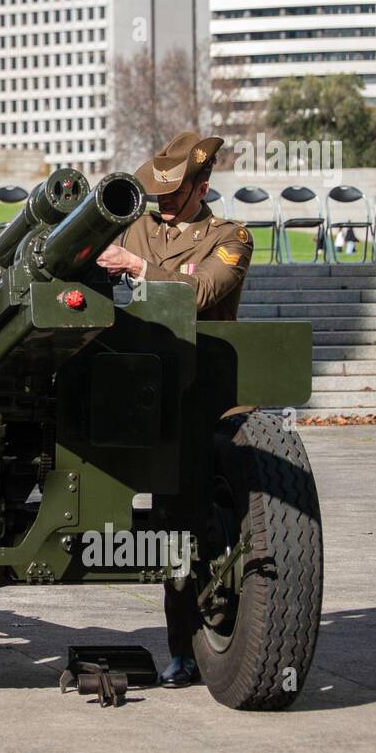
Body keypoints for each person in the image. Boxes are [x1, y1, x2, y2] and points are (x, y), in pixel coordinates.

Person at [95, 130, 254, 689]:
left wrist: (136, 270)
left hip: (207, 399)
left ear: (202, 187)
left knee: (193, 521)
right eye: (157, 196)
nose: (162, 205)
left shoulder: (231, 237)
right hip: (145, 389)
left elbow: (198, 291)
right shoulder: (137, 225)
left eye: (174, 195)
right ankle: (180, 647)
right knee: (166, 520)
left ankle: (191, 649)